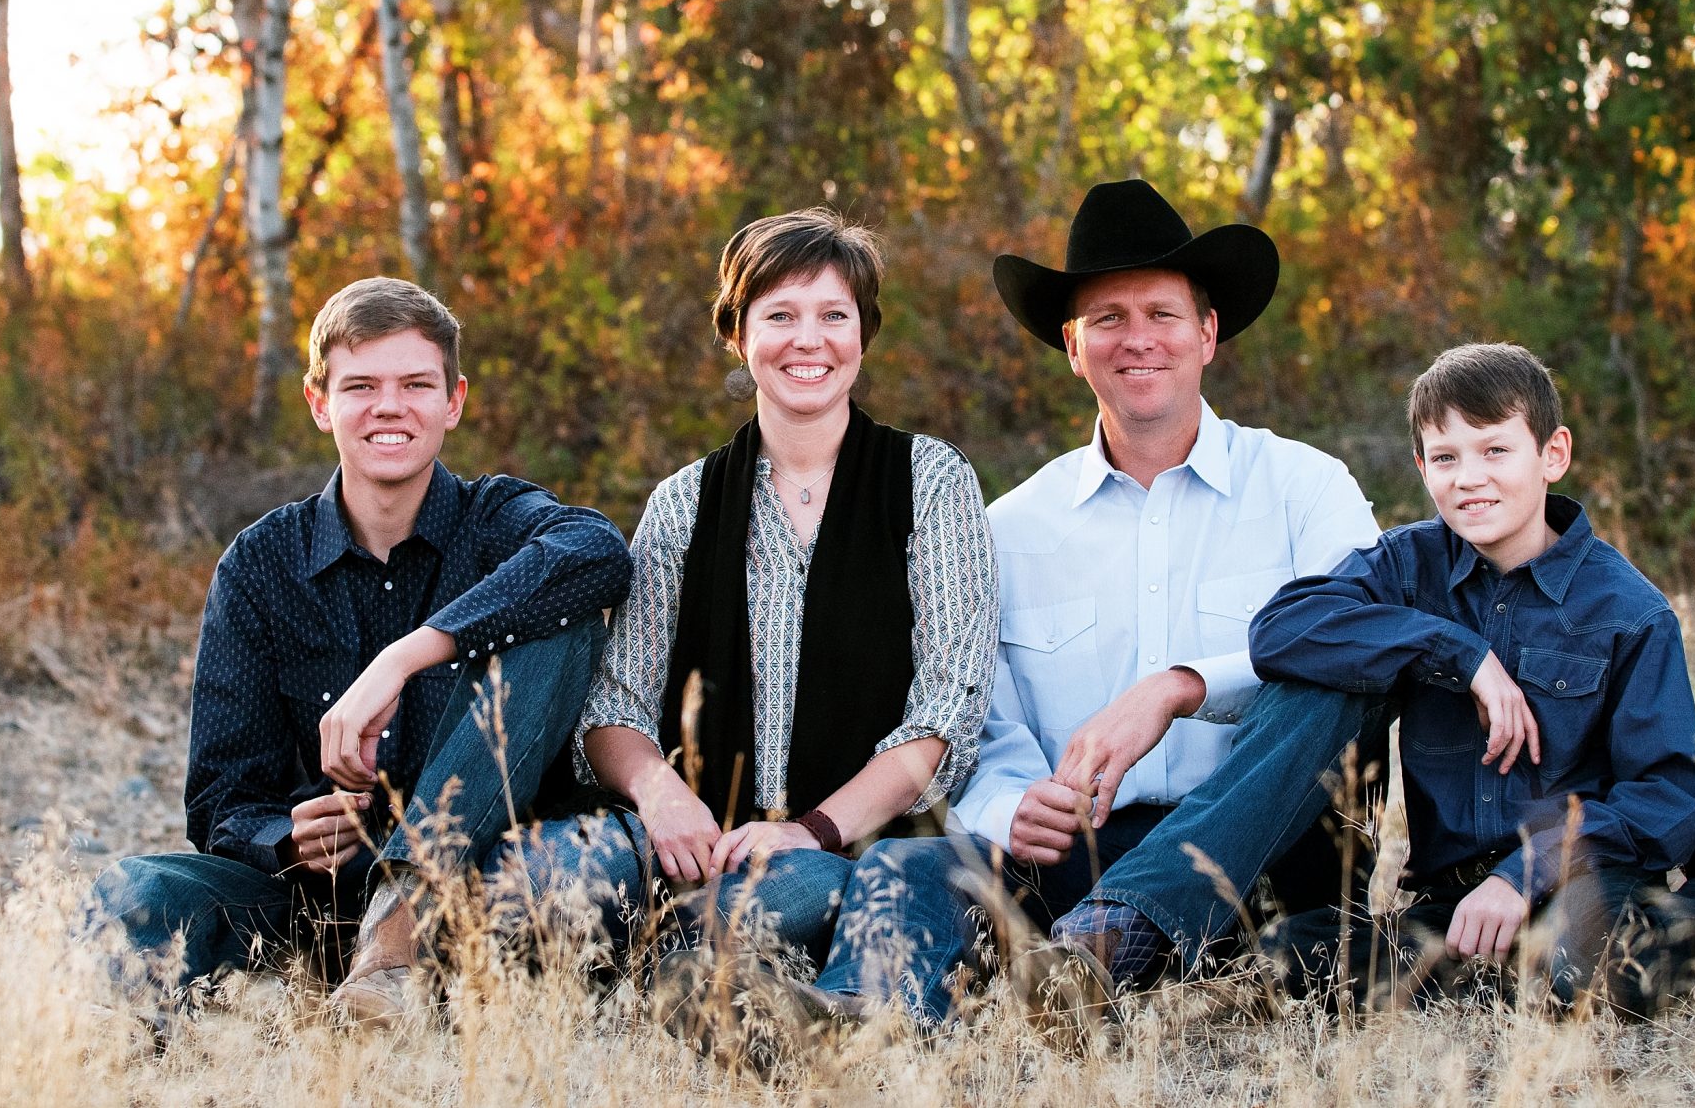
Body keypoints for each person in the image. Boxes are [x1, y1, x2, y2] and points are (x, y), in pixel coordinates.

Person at [659, 178, 1388, 1066]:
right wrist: (1012, 807)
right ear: (1073, 348)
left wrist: (1179, 687)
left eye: (1162, 311)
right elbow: (988, 723)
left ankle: (1115, 944)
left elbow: (1365, 637)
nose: (1139, 338)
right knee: (909, 864)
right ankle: (855, 1022)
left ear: (1208, 333)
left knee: (1325, 666)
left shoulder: (1305, 486)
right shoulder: (1014, 525)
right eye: (1107, 318)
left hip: (1271, 849)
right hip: (1084, 859)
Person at [1028, 341, 1695, 1036]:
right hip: (1451, 901)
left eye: (1495, 450)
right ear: (1420, 467)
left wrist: (1525, 871)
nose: (1470, 480)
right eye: (1445, 458)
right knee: (1298, 962)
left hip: (1575, 878)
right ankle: (1588, 950)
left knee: (1568, 968)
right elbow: (1283, 631)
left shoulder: (1628, 612)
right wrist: (1457, 652)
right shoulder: (1409, 566)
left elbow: (1670, 793)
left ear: (1553, 453)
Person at [85, 278, 633, 1031]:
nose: (390, 405)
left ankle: (404, 928)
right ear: (320, 402)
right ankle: (149, 1035)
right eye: (361, 385)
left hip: (490, 882)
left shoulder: (496, 520)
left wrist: (407, 655)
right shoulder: (261, 565)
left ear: (454, 400)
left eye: (415, 383)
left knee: (559, 619)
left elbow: (597, 551)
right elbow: (218, 799)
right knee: (134, 885)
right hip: (321, 901)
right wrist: (288, 839)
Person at [568, 208, 998, 981]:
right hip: (699, 850)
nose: (810, 340)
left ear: (863, 333)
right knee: (585, 890)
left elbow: (945, 715)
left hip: (864, 849)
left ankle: (720, 971)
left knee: (820, 887)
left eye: (835, 314)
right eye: (780, 315)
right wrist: (661, 794)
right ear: (739, 336)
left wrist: (811, 830)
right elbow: (612, 710)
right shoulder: (682, 502)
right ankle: (705, 959)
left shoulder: (931, 481)